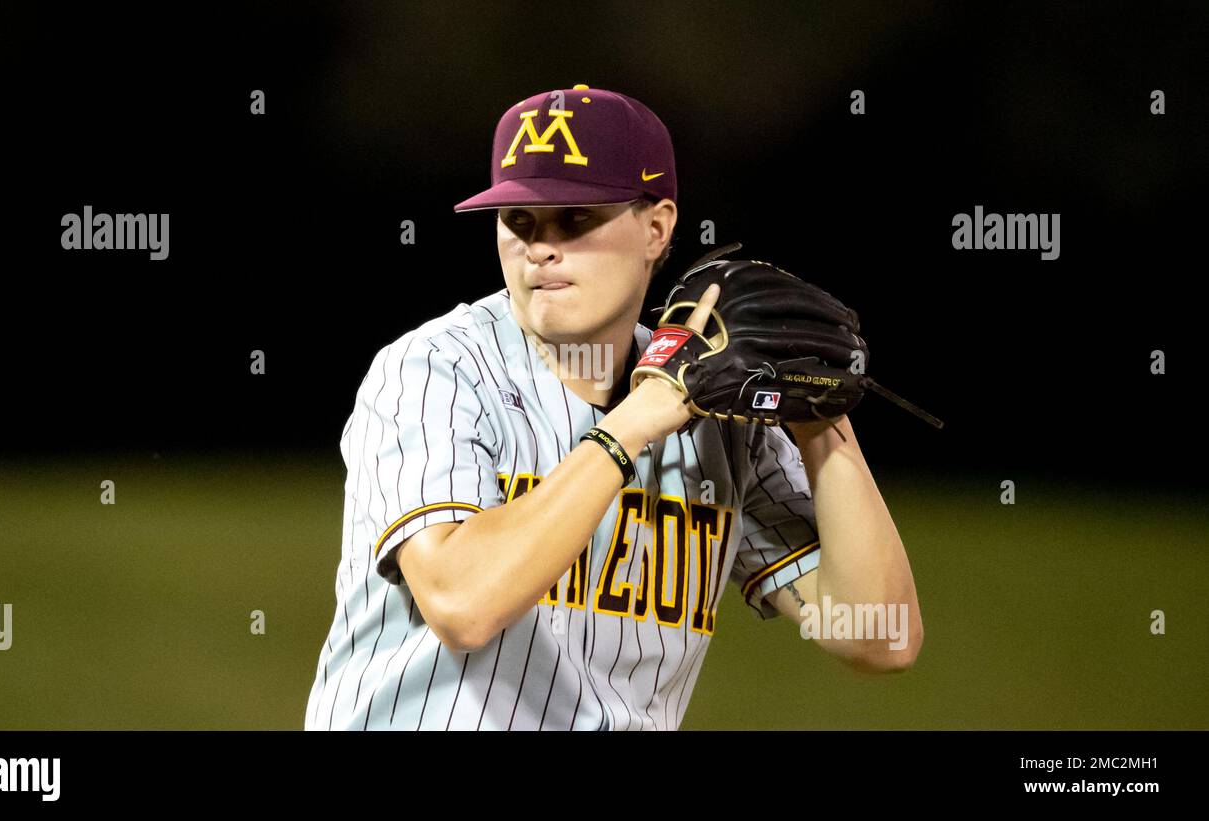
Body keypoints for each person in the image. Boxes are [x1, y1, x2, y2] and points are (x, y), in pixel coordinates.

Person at [304, 84, 923, 731]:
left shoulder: (715, 407)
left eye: (574, 218)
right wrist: (635, 421)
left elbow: (881, 638)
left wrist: (823, 423)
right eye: (518, 219)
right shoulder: (436, 372)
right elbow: (462, 602)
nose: (540, 246)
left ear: (657, 227)